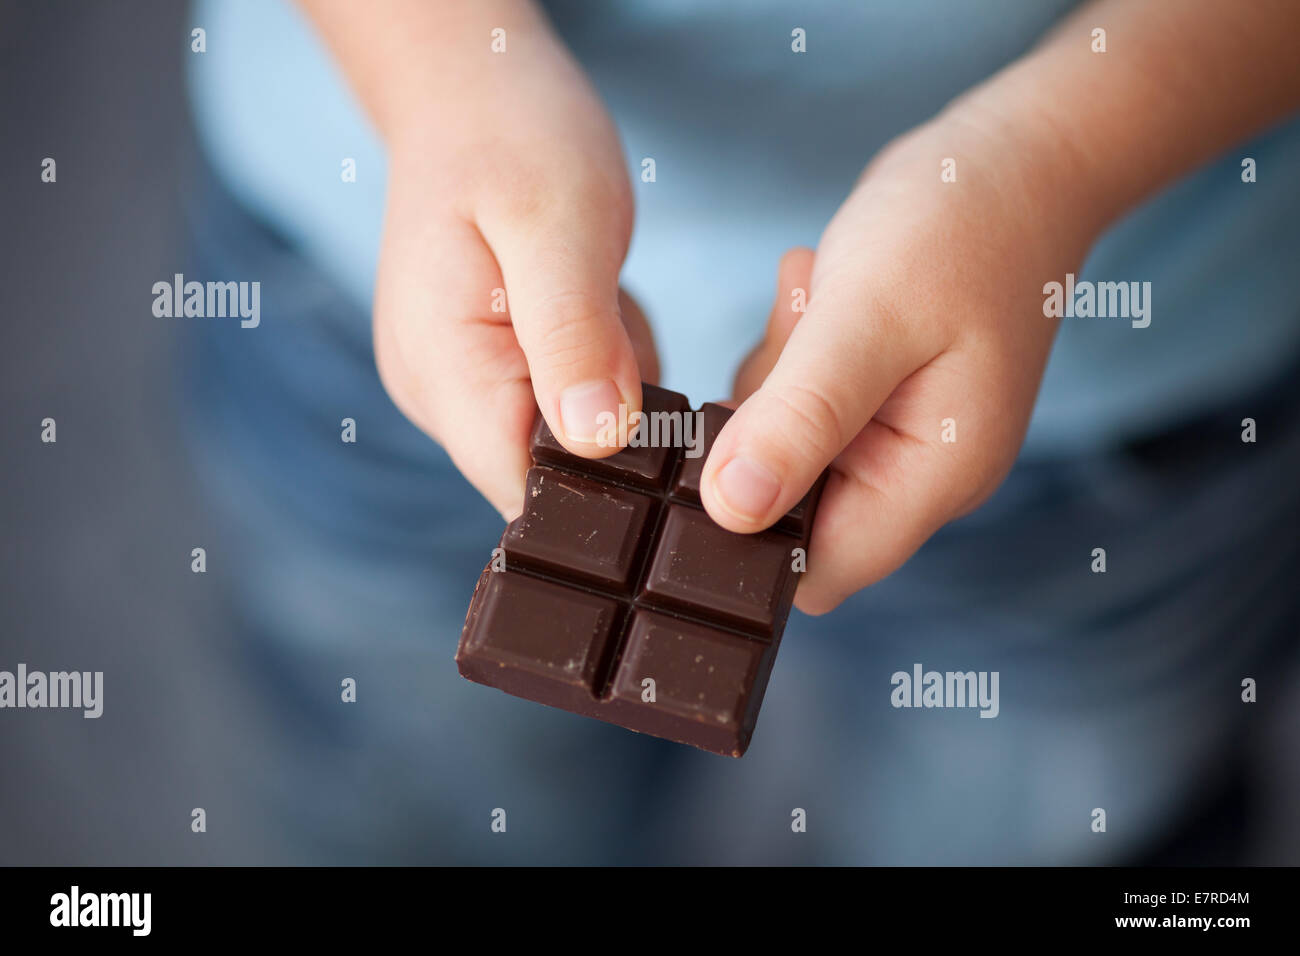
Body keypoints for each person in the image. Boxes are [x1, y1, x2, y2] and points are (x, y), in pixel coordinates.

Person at [181, 0, 1300, 863]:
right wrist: (439, 79)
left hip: (1125, 379)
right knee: (429, 794)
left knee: (1029, 824)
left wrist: (1053, 162)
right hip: (394, 267)